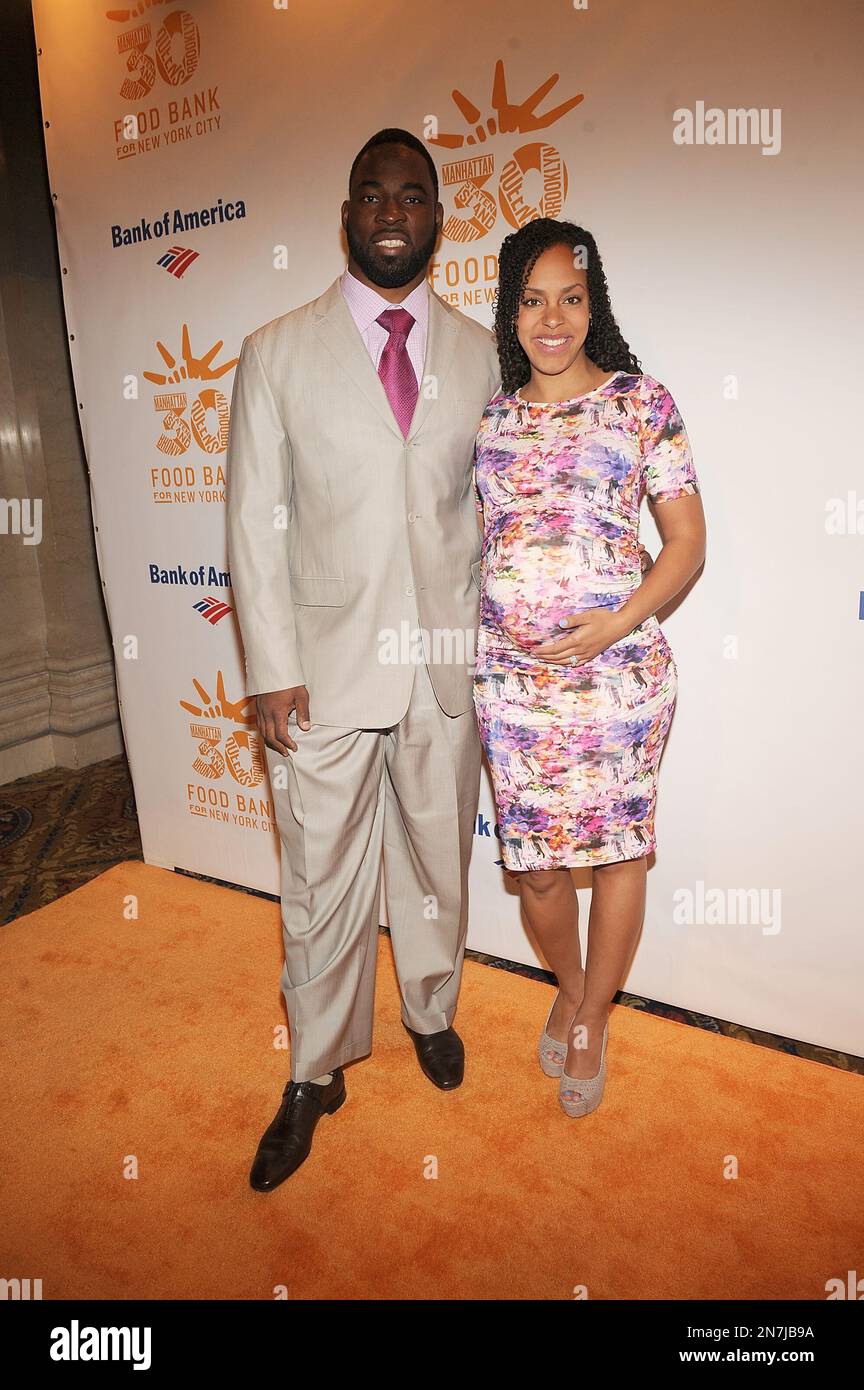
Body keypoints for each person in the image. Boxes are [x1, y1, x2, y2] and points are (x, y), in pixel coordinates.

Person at [225, 129, 500, 1191]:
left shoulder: (483, 354)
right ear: (348, 218)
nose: (392, 210)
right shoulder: (274, 351)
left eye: (413, 194)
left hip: (443, 663)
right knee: (321, 877)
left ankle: (430, 1011)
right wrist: (269, 665)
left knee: (437, 861)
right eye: (373, 195)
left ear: (437, 219)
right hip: (323, 673)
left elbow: (490, 513)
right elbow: (255, 523)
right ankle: (315, 1068)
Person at [472, 218, 706, 1117]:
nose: (553, 319)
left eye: (572, 297)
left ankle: (592, 1020)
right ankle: (570, 984)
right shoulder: (491, 419)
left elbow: (685, 545)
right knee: (534, 874)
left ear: (593, 302)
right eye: (533, 300)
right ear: (511, 310)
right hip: (514, 691)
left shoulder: (641, 403)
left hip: (619, 685)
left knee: (616, 861)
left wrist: (614, 625)